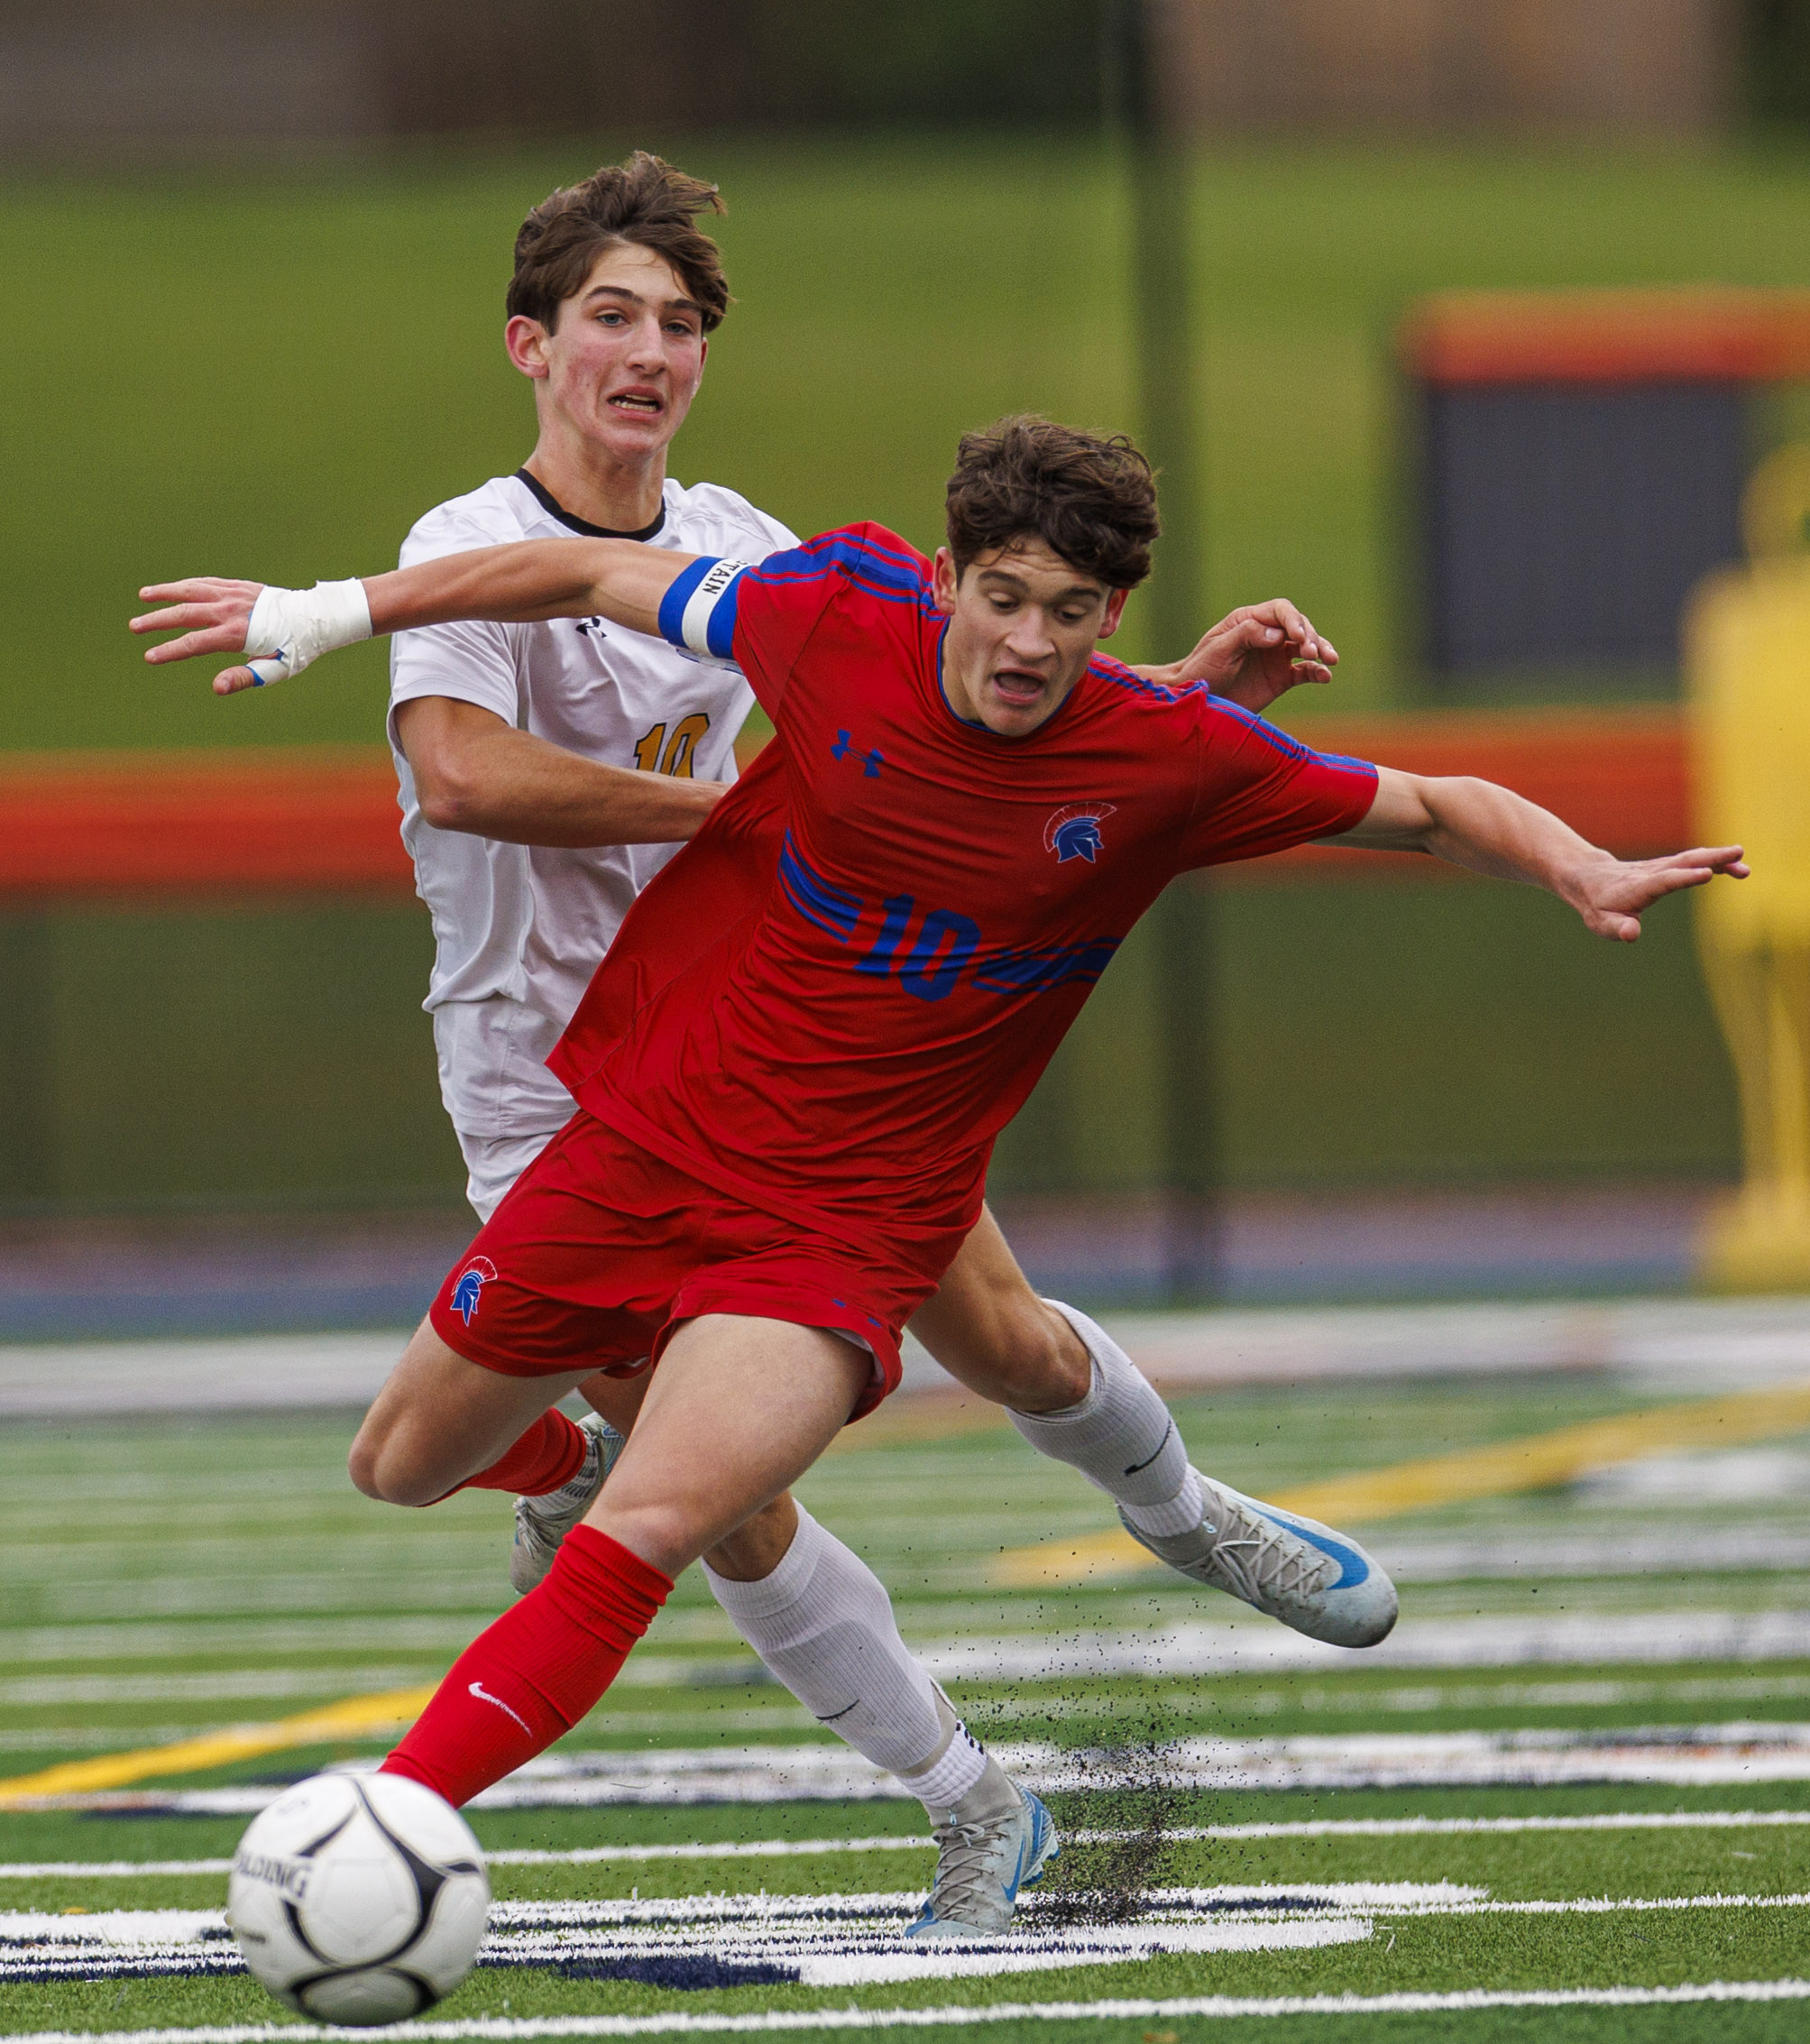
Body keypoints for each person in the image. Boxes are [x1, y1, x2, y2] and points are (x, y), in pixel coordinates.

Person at [134, 415, 1745, 1935]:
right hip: (646, 1137)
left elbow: (1430, 804)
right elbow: (575, 568)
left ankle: (389, 1826)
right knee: (403, 1459)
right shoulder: (833, 610)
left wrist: (1577, 862)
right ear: (946, 577)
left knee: (667, 1517)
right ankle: (656, 1488)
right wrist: (323, 609)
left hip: (843, 1226)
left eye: (1072, 612)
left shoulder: (1170, 752)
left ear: (1111, 615)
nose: (1030, 641)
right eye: (1003, 597)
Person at [143, 160, 1410, 1926]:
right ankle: (973, 1797)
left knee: (1014, 1346)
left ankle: (1188, 1519)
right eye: (609, 317)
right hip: (551, 1078)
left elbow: (962, 713)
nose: (647, 351)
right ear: (530, 348)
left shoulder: (743, 540)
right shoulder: (464, 543)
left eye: (678, 325)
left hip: (796, 1050)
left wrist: (1179, 703)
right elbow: (465, 774)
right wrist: (746, 817)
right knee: (641, 1489)